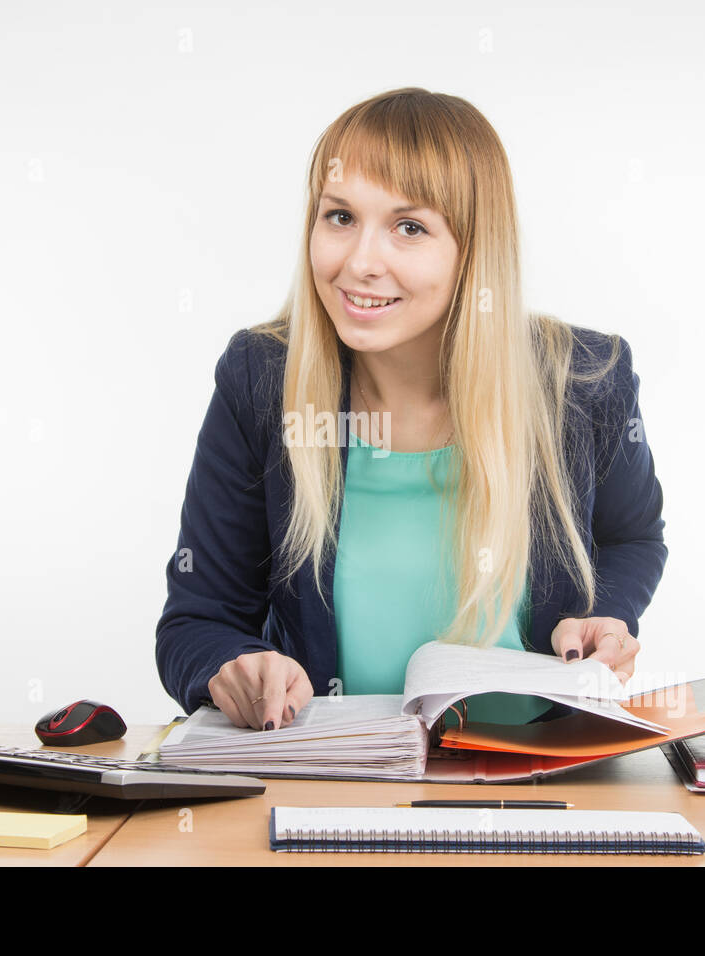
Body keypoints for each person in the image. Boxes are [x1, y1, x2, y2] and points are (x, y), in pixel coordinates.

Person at [156, 87, 667, 731]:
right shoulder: (261, 380)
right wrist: (231, 662)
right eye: (339, 217)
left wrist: (606, 614)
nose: (360, 262)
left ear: (474, 251)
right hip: (338, 786)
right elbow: (197, 620)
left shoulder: (584, 379)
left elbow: (634, 536)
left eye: (409, 227)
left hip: (536, 782)